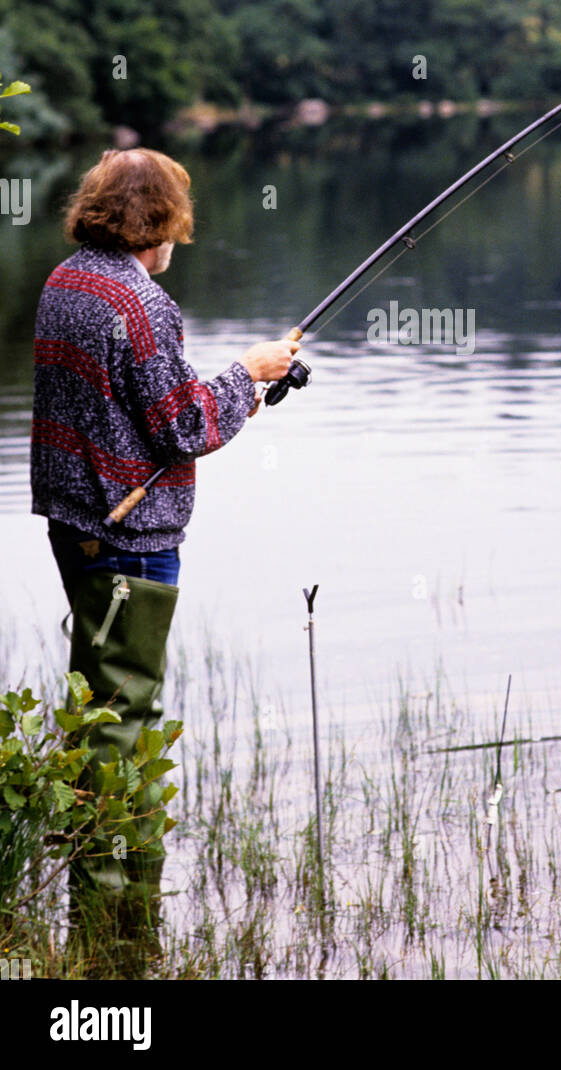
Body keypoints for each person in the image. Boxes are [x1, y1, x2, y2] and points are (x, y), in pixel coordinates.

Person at [30, 146, 299, 916]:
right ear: (160, 220)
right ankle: (118, 912)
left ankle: (93, 900)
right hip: (130, 538)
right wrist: (249, 373)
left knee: (96, 703)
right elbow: (183, 425)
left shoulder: (66, 281)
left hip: (72, 521)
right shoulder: (139, 303)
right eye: (179, 214)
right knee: (126, 718)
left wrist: (236, 386)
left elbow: (133, 406)